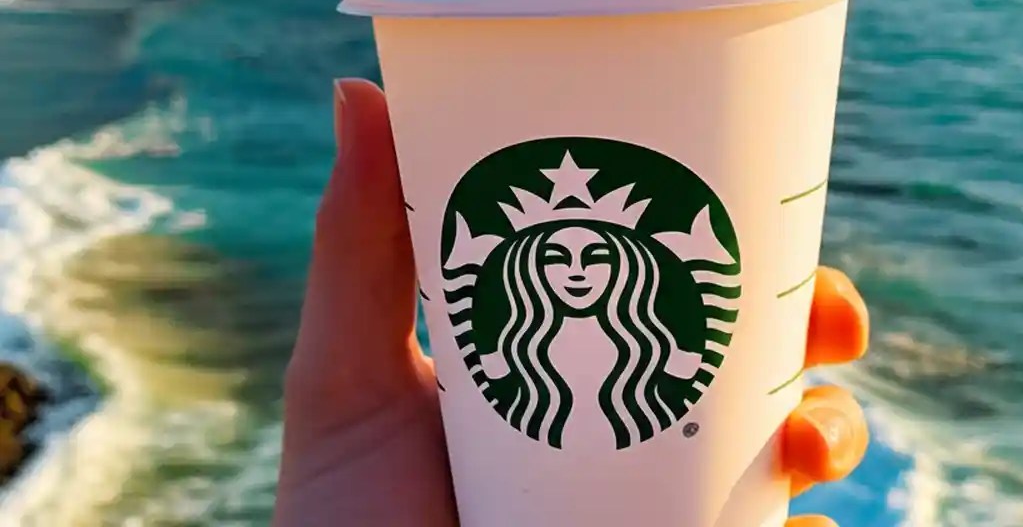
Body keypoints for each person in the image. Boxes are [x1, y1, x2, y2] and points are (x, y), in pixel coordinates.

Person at [274, 78, 873, 527]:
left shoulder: (656, 360)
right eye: (557, 259)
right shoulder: (515, 363)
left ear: (630, 268)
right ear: (528, 269)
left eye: (598, 258)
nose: (578, 273)